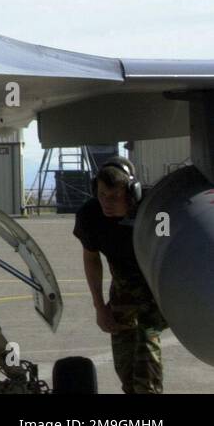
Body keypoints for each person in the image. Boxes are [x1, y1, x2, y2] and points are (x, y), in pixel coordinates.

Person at [72, 156, 167, 394]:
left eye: (114, 196)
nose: (106, 202)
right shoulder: (91, 215)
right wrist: (99, 307)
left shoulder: (154, 209)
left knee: (146, 368)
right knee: (126, 372)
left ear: (131, 193)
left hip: (155, 288)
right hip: (123, 290)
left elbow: (174, 247)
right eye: (102, 195)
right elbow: (91, 258)